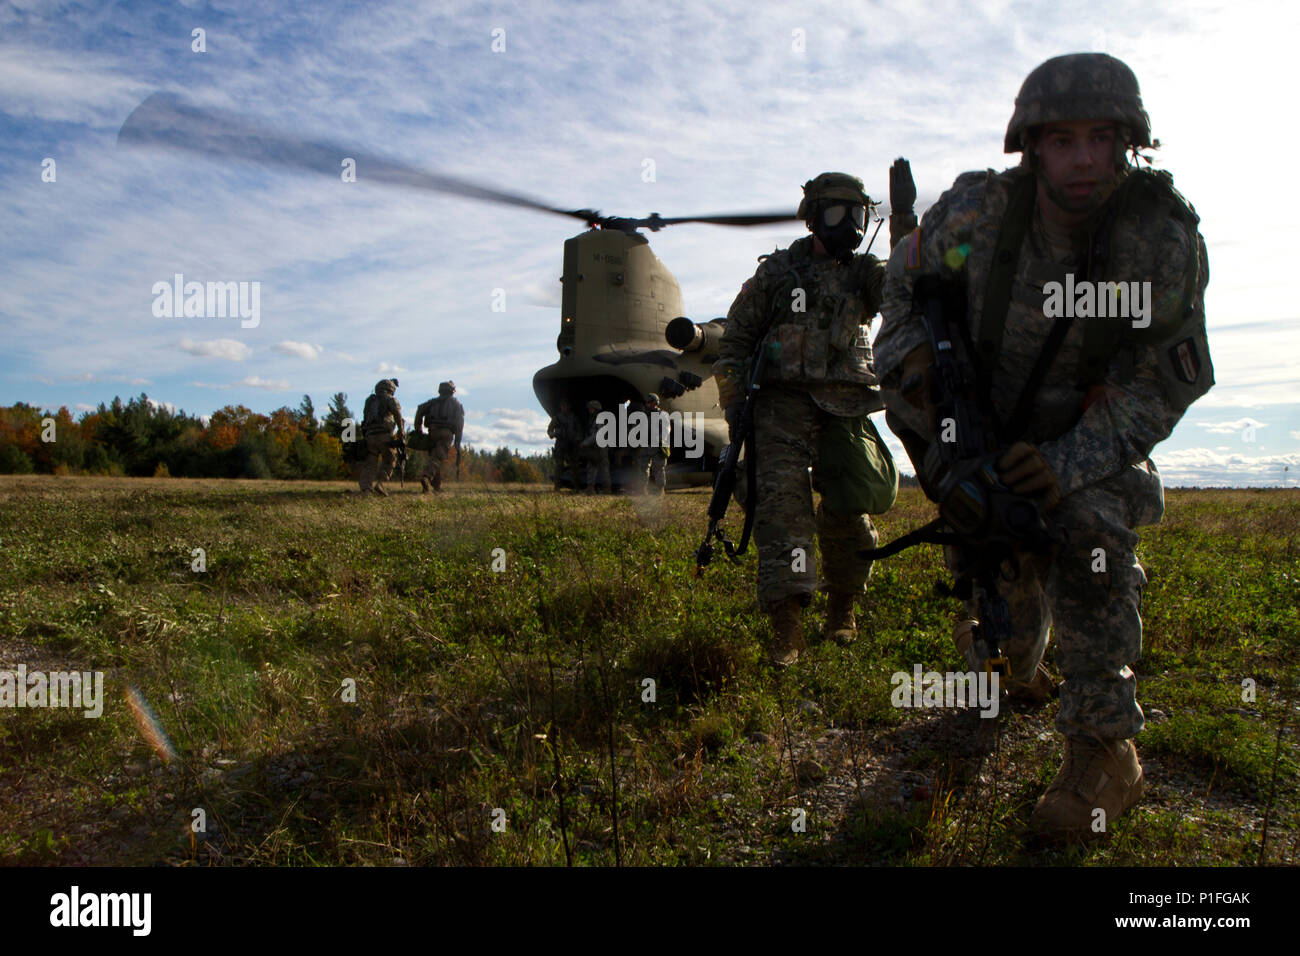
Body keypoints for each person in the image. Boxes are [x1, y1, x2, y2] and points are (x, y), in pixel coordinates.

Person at [872, 53, 1213, 839]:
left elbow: (1169, 381)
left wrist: (1066, 464)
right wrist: (917, 378)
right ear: (1032, 146)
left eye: (1103, 138)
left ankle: (1103, 751)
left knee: (1091, 534)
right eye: (1064, 140)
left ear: (1130, 143)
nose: (1086, 159)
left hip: (1086, 448)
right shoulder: (975, 218)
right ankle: (1006, 652)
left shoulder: (1157, 239)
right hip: (977, 442)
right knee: (1006, 652)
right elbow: (904, 285)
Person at [713, 172, 898, 666]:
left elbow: (904, 290)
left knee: (852, 502)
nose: (851, 225)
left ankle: (843, 606)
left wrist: (906, 224)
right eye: (839, 213)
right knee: (782, 514)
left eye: (859, 214)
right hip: (780, 404)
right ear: (814, 216)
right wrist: (736, 409)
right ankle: (788, 626)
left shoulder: (865, 273)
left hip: (847, 403)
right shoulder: (777, 273)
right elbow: (732, 345)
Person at [414, 381, 464, 492]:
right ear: (452, 391)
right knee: (437, 458)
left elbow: (420, 409)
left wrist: (418, 428)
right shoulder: (456, 404)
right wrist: (457, 442)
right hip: (446, 434)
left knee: (434, 457)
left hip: (432, 432)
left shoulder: (432, 402)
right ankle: (426, 477)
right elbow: (459, 425)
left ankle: (436, 486)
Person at [359, 378, 402, 496]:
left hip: (370, 435)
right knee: (389, 461)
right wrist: (401, 433)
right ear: (390, 389)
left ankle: (366, 489)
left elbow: (364, 417)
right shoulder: (391, 399)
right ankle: (381, 484)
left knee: (370, 463)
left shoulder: (370, 401)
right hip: (385, 436)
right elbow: (397, 415)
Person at [634, 393, 670, 496]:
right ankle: (642, 490)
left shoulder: (662, 415)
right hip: (645, 445)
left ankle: (660, 490)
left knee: (658, 468)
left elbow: (666, 429)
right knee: (642, 468)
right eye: (647, 403)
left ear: (656, 403)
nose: (647, 405)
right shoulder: (643, 415)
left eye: (650, 403)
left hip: (657, 446)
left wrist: (660, 439)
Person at [547, 398, 582, 489]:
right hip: (560, 443)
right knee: (559, 465)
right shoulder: (557, 418)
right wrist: (553, 434)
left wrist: (577, 438)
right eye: (563, 406)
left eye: (566, 406)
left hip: (571, 444)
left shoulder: (573, 418)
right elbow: (550, 429)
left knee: (574, 465)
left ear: (568, 407)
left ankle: (576, 486)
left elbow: (579, 429)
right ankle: (557, 486)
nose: (564, 408)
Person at [579, 399, 611, 494]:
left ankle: (606, 489)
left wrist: (585, 443)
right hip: (595, 447)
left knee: (603, 468)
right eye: (589, 408)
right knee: (592, 467)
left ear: (596, 409)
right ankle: (591, 488)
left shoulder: (599, 419)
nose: (590, 410)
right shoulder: (593, 419)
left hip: (600, 448)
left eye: (591, 408)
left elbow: (597, 434)